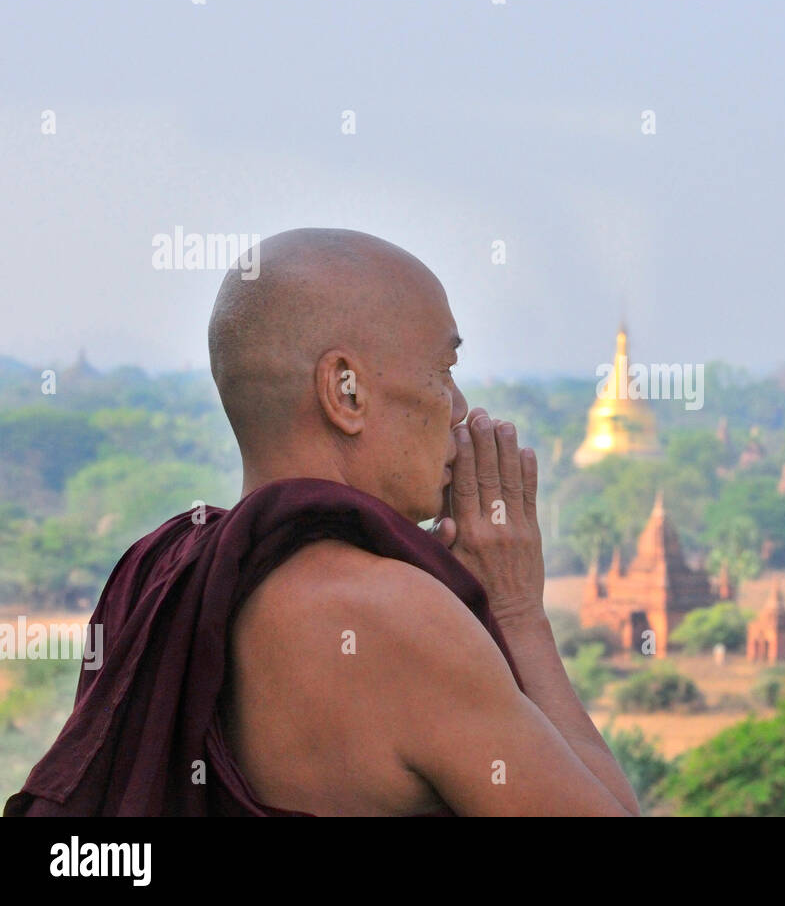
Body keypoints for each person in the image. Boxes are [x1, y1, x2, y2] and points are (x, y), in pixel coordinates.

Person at [5, 229, 638, 817]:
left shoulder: (154, 574)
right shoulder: (393, 616)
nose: (461, 408)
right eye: (444, 370)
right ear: (347, 392)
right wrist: (520, 614)